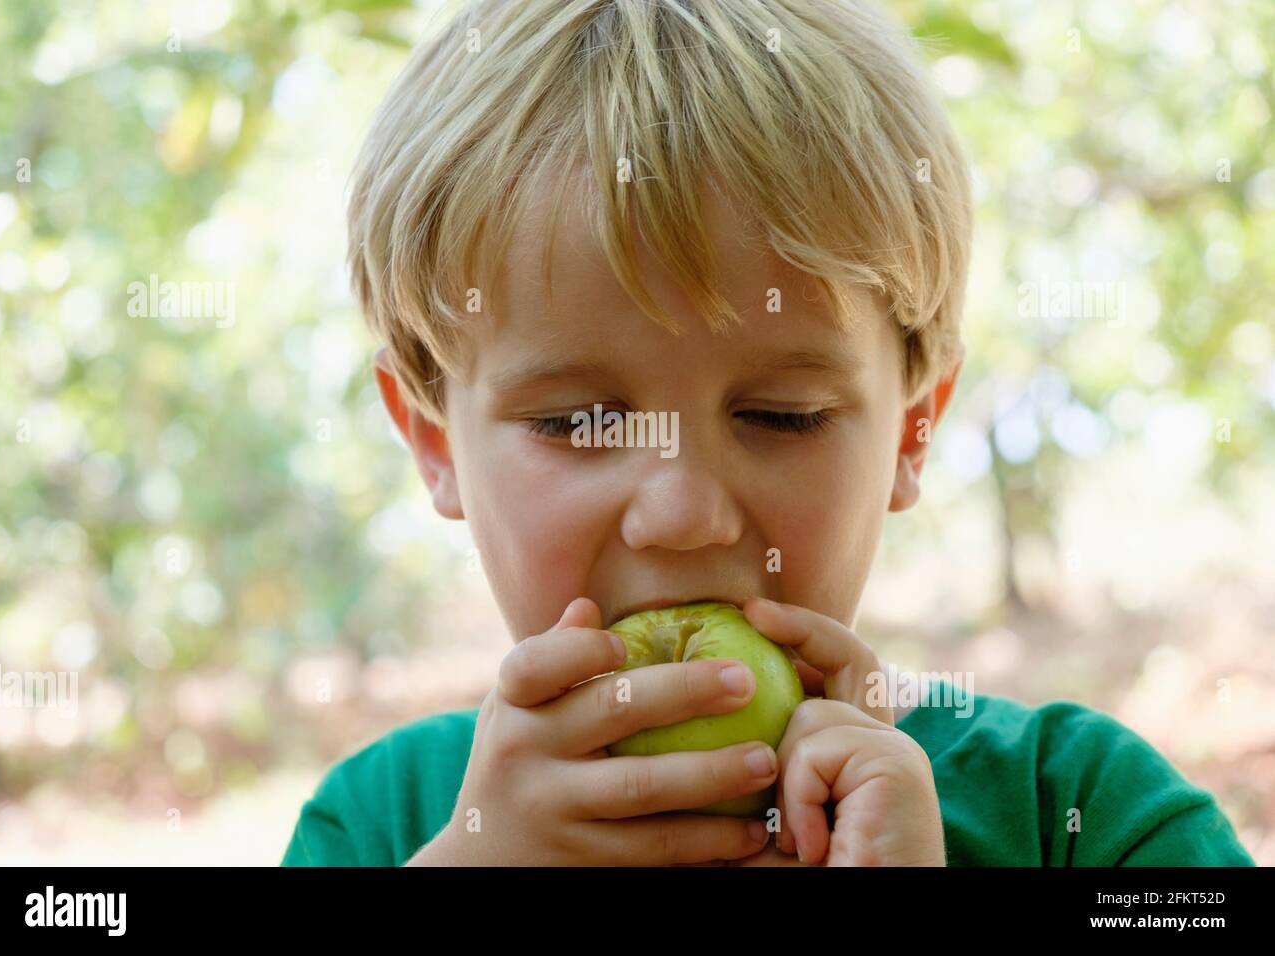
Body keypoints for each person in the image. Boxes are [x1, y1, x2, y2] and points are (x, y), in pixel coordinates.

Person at [282, 0, 1253, 866]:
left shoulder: (1086, 810)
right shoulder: (379, 824)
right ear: (436, 442)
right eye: (574, 422)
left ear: (913, 431)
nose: (682, 512)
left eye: (781, 415)